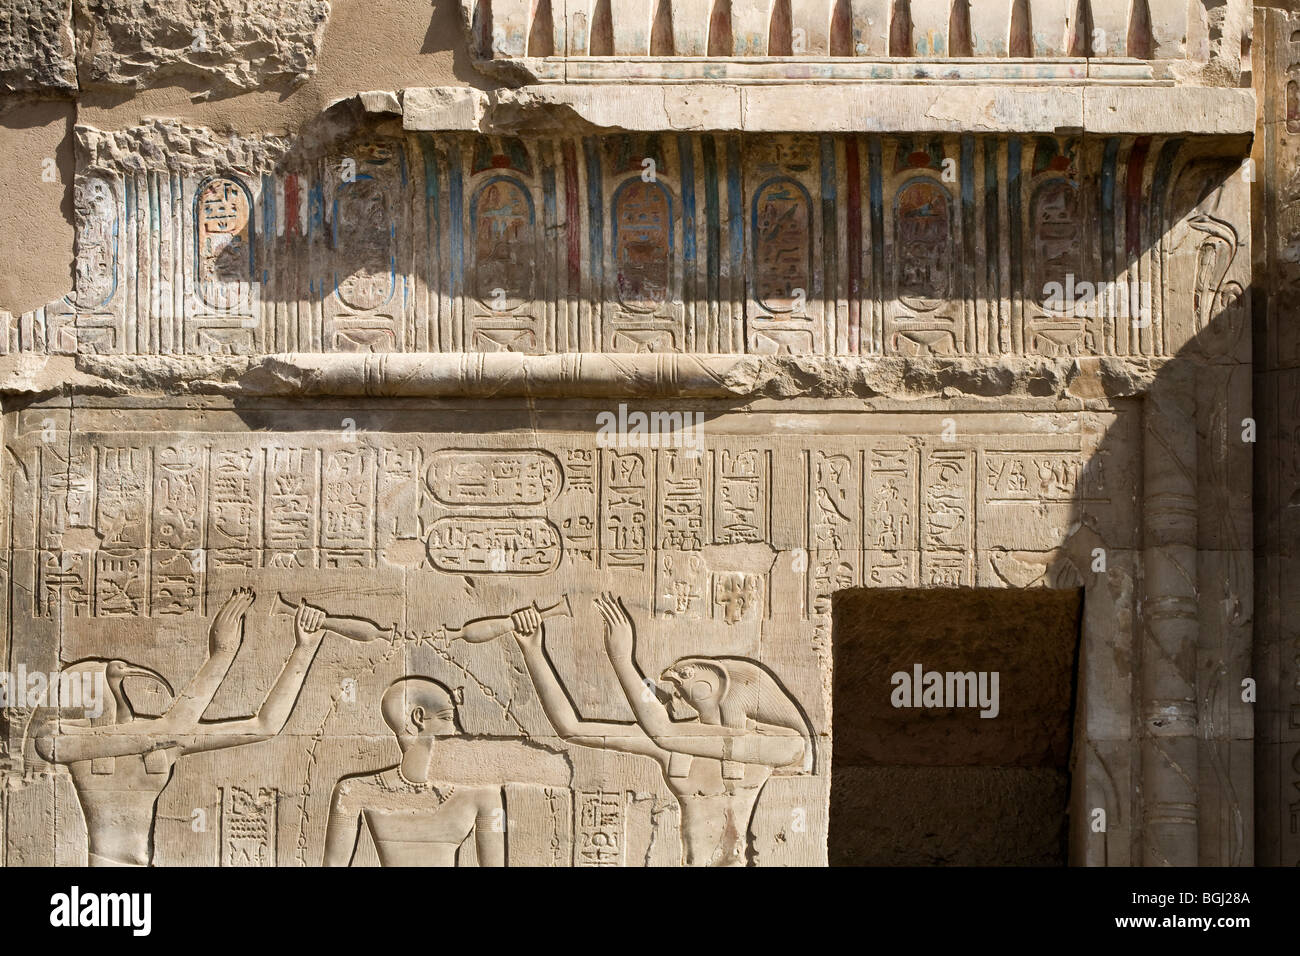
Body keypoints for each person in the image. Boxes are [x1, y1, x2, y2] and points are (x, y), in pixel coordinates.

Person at [25, 588, 335, 866]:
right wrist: (222, 656)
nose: (121, 697)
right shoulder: (58, 739)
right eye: (112, 686)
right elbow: (171, 730)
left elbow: (265, 726)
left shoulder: (149, 737)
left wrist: (303, 650)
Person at [511, 592, 814, 866]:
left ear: (720, 685)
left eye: (684, 676)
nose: (674, 688)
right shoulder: (677, 746)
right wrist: (534, 652)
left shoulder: (779, 744)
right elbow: (571, 728)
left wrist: (622, 659)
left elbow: (662, 730)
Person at [323, 677, 505, 867]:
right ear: (418, 718)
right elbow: (333, 864)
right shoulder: (354, 791)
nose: (457, 731)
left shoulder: (486, 796)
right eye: (448, 718)